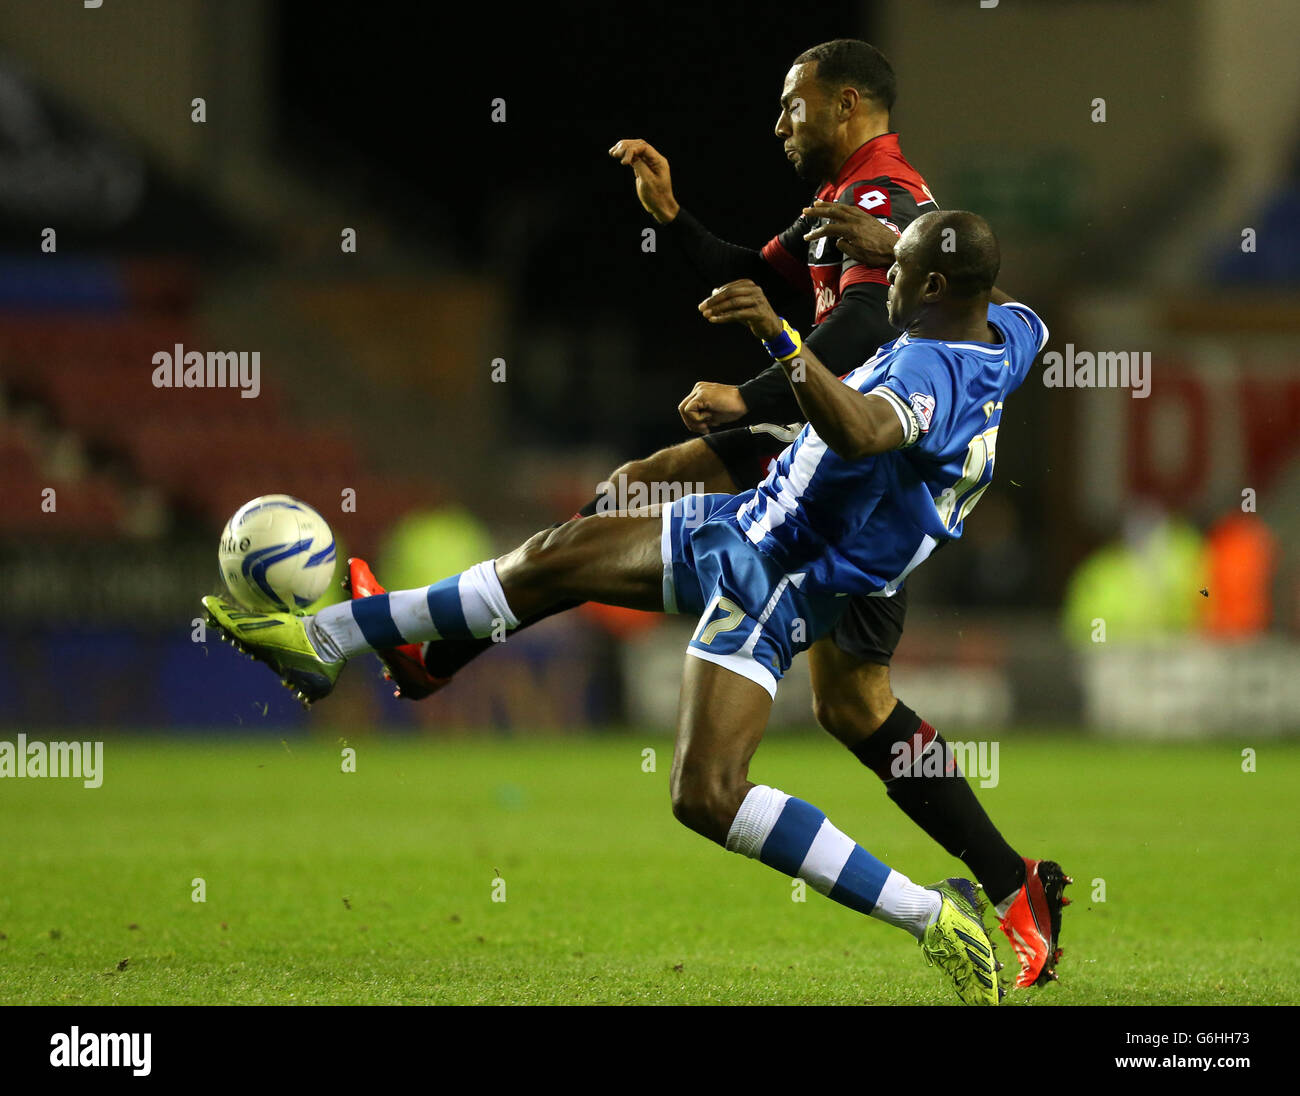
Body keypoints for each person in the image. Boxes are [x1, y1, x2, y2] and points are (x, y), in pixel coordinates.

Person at [355, 39, 1070, 988]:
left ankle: (434, 647)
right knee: (854, 703)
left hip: (848, 458)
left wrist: (755, 394)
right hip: (840, 443)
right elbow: (764, 272)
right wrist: (673, 215)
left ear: (849, 104)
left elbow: (866, 335)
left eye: (794, 107)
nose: (780, 124)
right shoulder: (851, 208)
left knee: (642, 494)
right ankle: (1016, 885)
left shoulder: (887, 194)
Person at [205, 210, 1047, 1005]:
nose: (882, 276)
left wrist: (779, 338)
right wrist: (904, 238)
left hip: (781, 573)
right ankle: (325, 638)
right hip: (748, 521)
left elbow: (864, 429)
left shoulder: (927, 369)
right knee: (560, 554)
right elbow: (996, 296)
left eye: (897, 269)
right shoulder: (1007, 333)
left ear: (934, 289)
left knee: (706, 793)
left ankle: (931, 914)